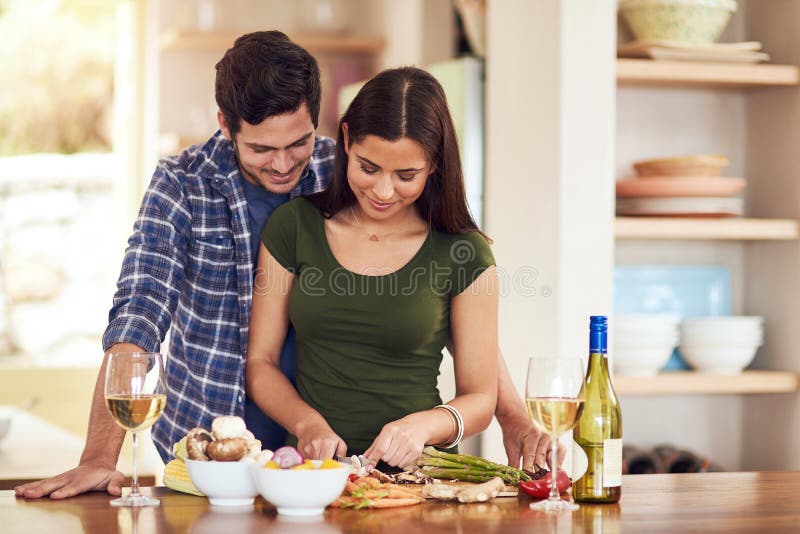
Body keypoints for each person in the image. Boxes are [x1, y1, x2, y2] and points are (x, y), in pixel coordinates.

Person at [15, 30, 552, 501]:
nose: (283, 163)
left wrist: (513, 418)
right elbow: (138, 318)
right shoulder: (181, 186)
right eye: (261, 149)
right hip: (219, 454)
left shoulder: (350, 171)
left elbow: (442, 303)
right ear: (225, 124)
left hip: (342, 465)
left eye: (297, 142)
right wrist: (99, 458)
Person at [247, 66, 497, 467]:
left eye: (406, 175)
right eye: (368, 167)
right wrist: (307, 423)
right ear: (346, 140)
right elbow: (261, 363)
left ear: (434, 165)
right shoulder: (294, 227)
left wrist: (424, 427)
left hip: (420, 481)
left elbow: (481, 397)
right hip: (315, 475)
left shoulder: (463, 252)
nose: (382, 191)